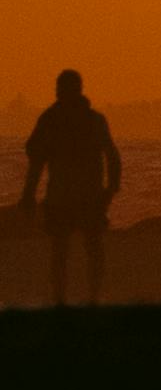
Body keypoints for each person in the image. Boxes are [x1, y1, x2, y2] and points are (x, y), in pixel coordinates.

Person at [18, 69, 122, 307]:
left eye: (61, 88)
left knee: (80, 249)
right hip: (72, 197)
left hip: (77, 197)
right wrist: (28, 195)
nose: (58, 92)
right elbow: (37, 159)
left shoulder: (61, 120)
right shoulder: (58, 120)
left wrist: (111, 189)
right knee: (68, 250)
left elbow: (36, 161)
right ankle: (68, 298)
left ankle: (86, 297)